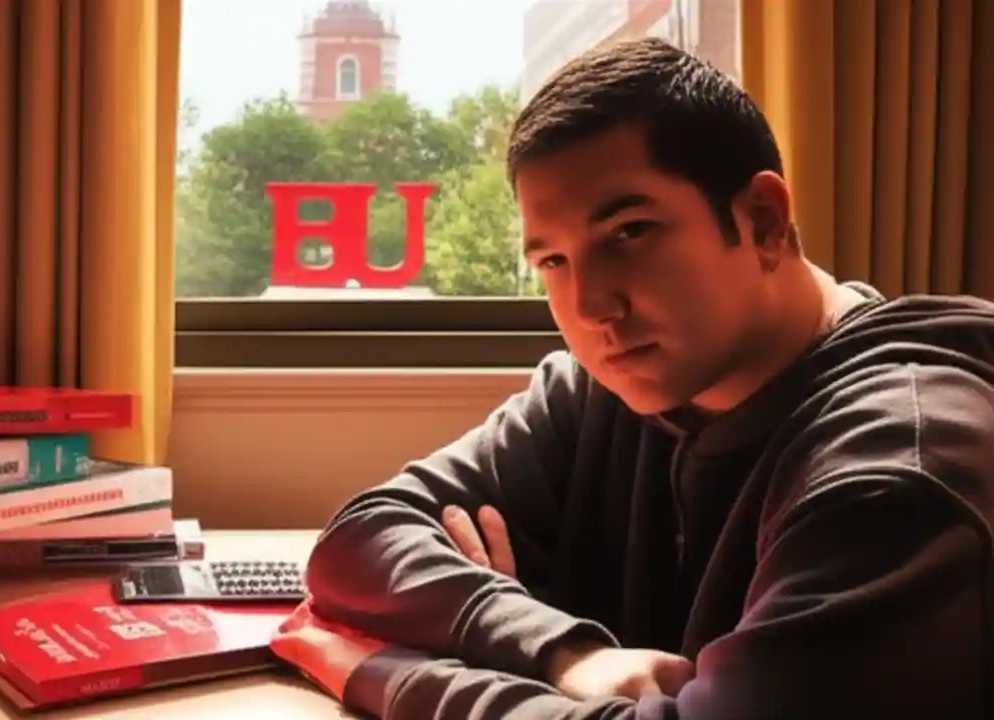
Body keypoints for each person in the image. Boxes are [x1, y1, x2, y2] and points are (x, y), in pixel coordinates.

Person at [270, 37, 994, 719]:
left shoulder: (899, 468)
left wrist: (379, 669)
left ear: (765, 221)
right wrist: (561, 651)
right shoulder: (602, 391)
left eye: (630, 234)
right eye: (553, 261)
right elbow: (358, 542)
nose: (590, 307)